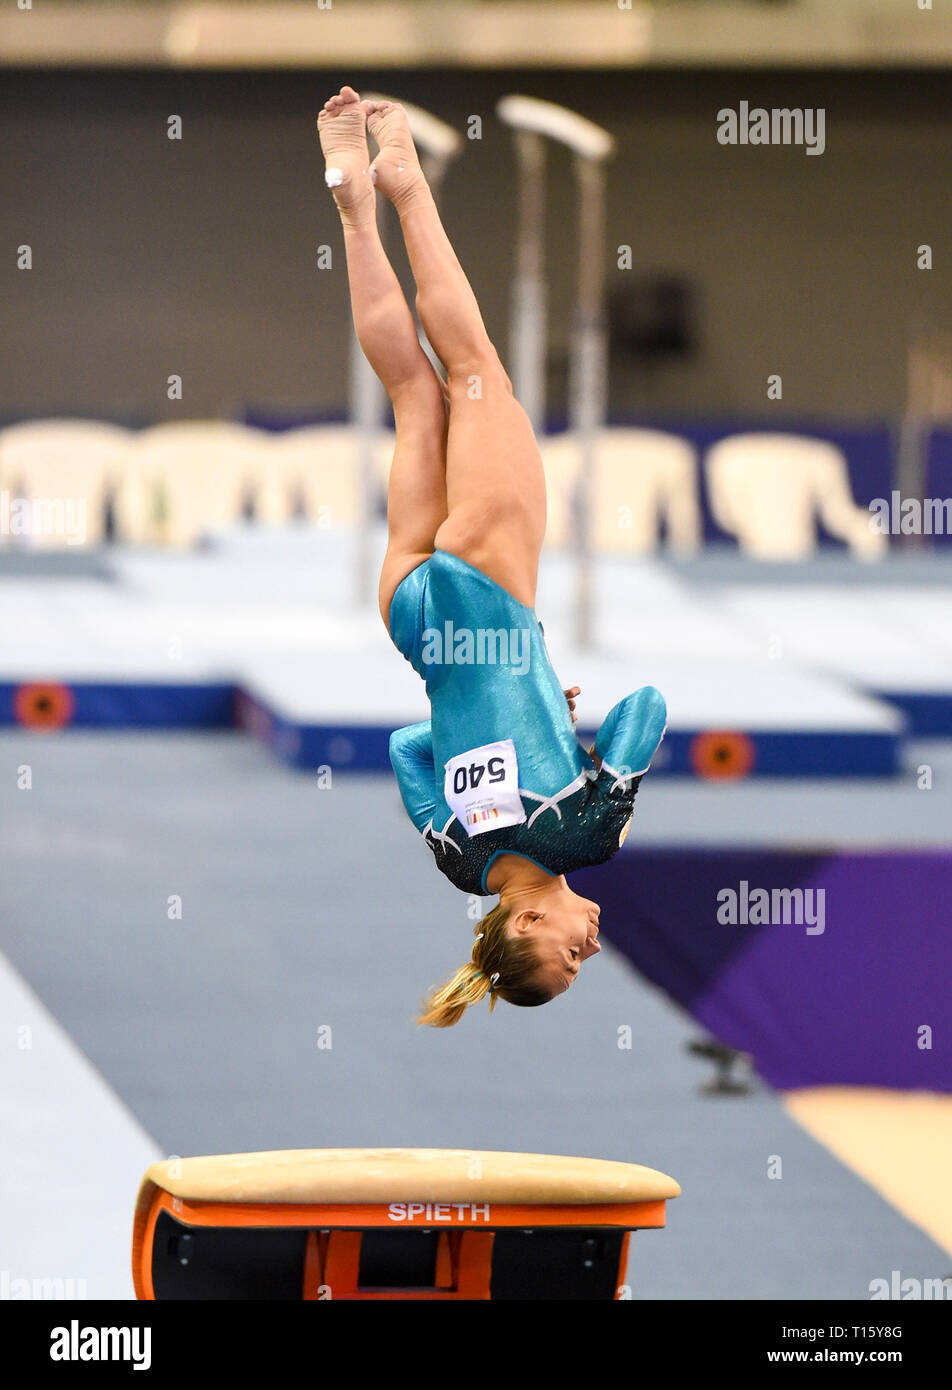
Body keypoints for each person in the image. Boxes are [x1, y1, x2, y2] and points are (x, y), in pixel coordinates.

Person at [318, 87, 666, 1027]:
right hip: (415, 616)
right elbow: (408, 743)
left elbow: (647, 706)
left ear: (524, 923)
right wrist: (501, 708)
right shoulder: (457, 858)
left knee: (473, 367)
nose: (585, 951)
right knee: (414, 393)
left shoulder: (590, 837)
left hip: (490, 591)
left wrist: (592, 758)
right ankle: (353, 197)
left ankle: (404, 183)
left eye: (563, 958)